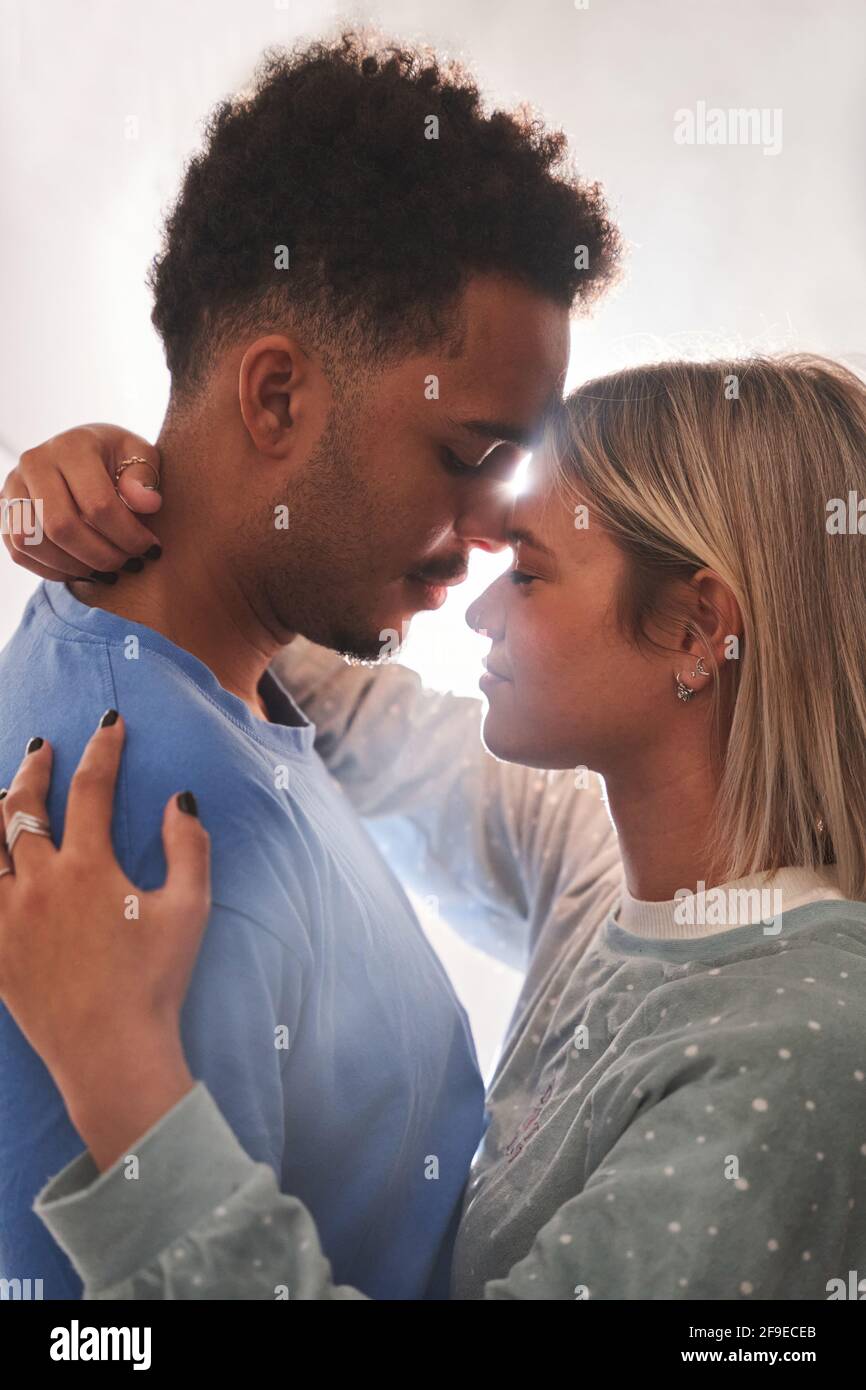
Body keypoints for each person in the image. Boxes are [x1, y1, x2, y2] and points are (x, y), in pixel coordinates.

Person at [2, 353, 865, 1299]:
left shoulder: (796, 1057)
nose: (482, 611)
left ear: (699, 635)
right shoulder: (602, 866)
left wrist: (119, 1073)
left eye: (529, 575)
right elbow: (355, 712)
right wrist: (148, 502)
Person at [0, 32, 620, 1298]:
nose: (500, 526)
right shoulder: (149, 848)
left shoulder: (236, 683)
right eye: (466, 454)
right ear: (274, 396)